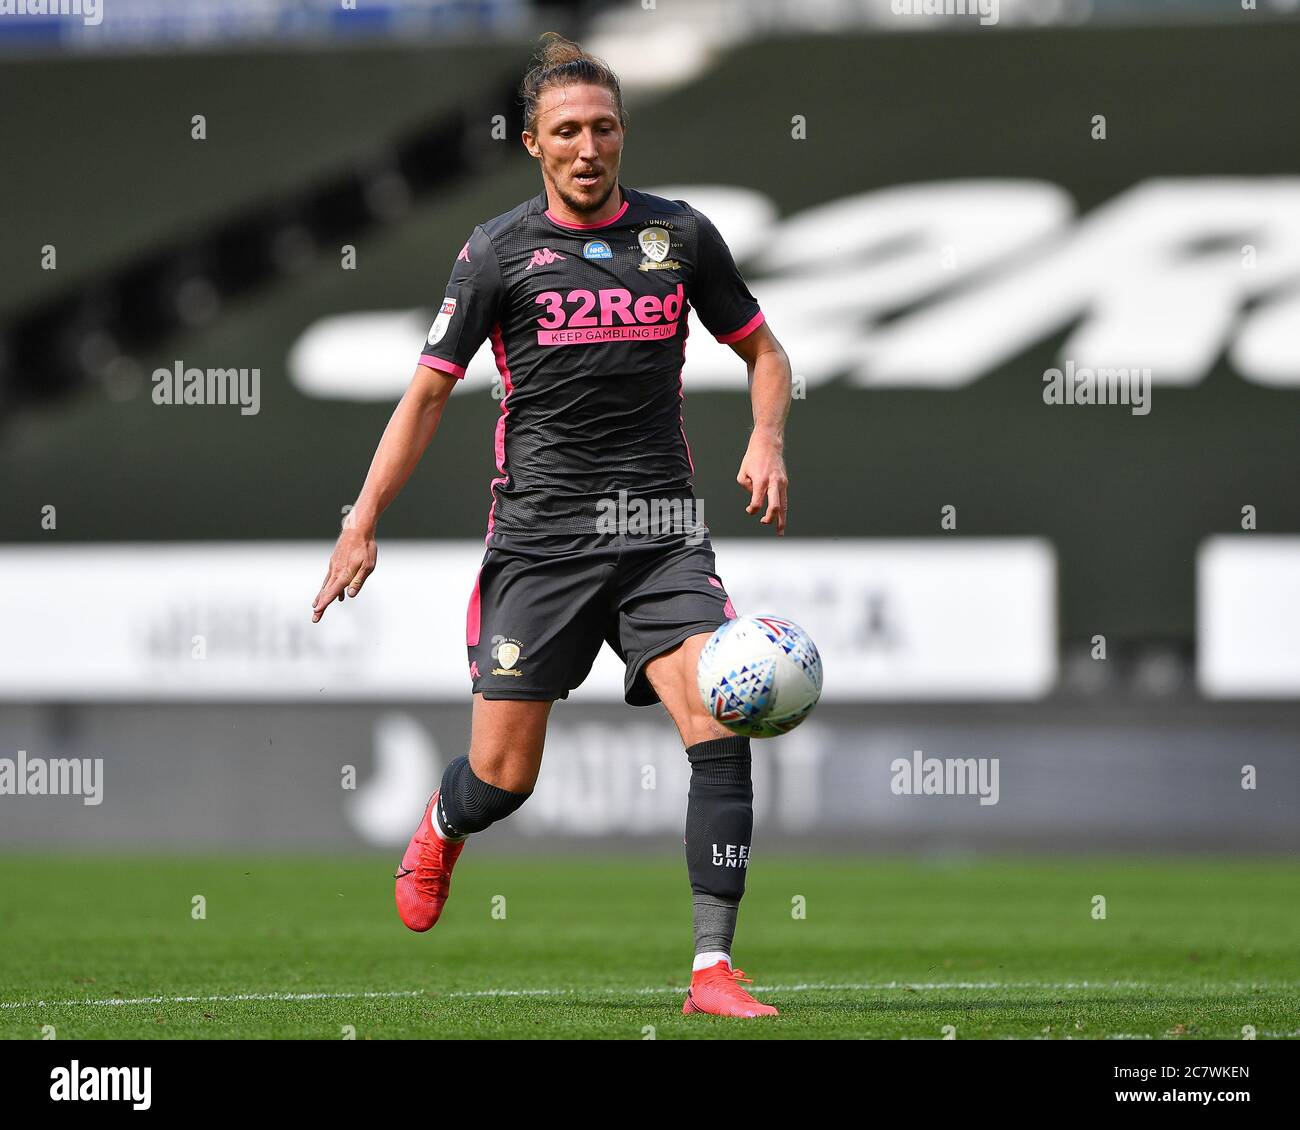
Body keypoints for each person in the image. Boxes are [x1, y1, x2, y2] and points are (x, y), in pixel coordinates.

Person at [311, 32, 791, 1019]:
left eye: (603, 128)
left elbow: (766, 352)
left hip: (660, 531)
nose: (587, 146)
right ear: (532, 143)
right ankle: (446, 818)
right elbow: (426, 397)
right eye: (566, 130)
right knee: (504, 775)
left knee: (718, 719)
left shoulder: (681, 237)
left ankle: (712, 967)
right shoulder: (497, 252)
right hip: (540, 543)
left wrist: (767, 438)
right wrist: (361, 523)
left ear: (622, 134)